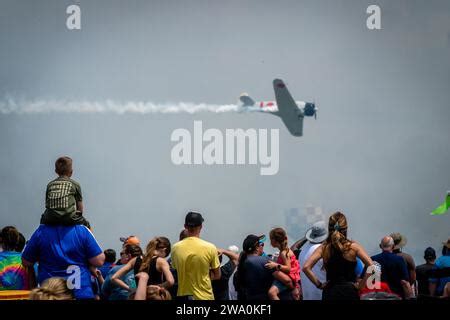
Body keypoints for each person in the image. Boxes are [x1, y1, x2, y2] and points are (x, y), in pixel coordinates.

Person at [21, 224, 105, 299]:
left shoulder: (41, 231)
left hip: (49, 294)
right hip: (81, 293)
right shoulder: (82, 230)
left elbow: (26, 261)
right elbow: (99, 261)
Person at [303, 212, 373, 301]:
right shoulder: (353, 247)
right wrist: (361, 285)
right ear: (346, 229)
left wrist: (319, 285)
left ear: (329, 229)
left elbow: (306, 267)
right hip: (350, 292)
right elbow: (372, 266)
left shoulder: (324, 248)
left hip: (330, 291)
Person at [171, 211, 221, 300]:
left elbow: (176, 269)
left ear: (185, 226)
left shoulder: (175, 248)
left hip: (183, 296)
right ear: (201, 226)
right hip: (205, 296)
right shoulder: (210, 247)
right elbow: (217, 275)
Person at [234, 234, 294, 300]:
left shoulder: (241, 265)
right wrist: (294, 288)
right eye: (262, 244)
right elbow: (287, 280)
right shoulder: (265, 262)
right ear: (257, 248)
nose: (263, 246)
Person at [40, 156, 87, 226]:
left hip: (50, 217)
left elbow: (47, 203)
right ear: (71, 172)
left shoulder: (50, 184)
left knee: (42, 221)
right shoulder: (75, 184)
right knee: (86, 224)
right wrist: (79, 216)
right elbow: (80, 209)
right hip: (68, 217)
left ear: (56, 171)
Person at [265, 228, 300, 300]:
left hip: (289, 277)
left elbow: (288, 268)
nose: (270, 242)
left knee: (271, 293)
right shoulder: (284, 251)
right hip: (290, 277)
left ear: (275, 241)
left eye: (271, 239)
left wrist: (275, 265)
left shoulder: (284, 253)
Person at [298, 221, 328, 300]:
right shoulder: (322, 250)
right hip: (321, 295)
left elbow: (293, 248)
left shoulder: (303, 251)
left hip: (307, 297)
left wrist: (305, 238)